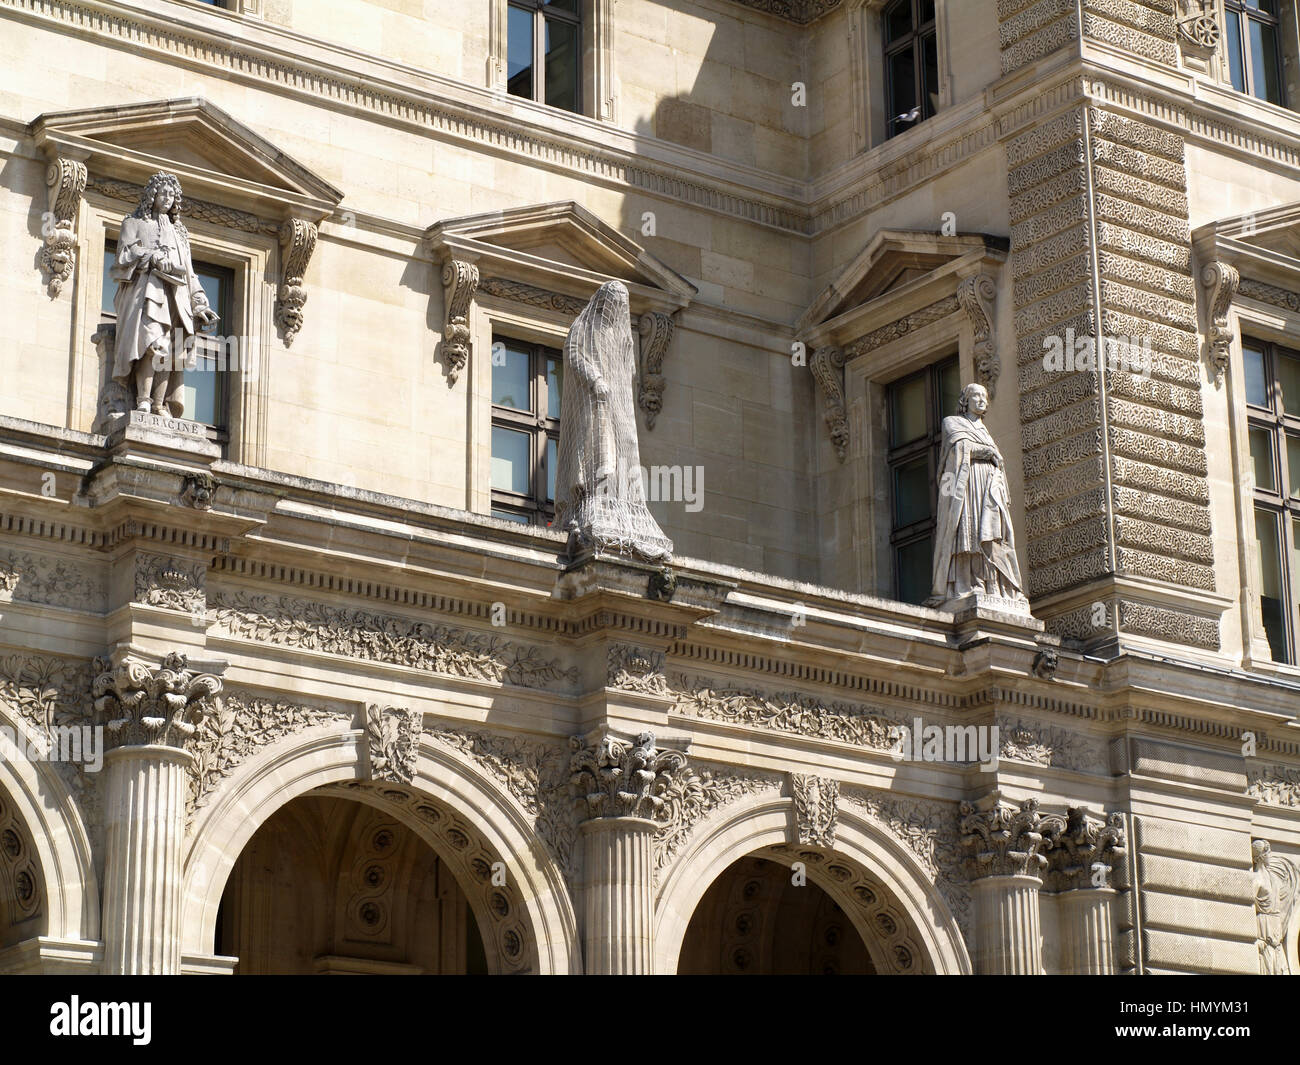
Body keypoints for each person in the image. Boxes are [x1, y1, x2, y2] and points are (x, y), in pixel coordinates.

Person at [110, 171, 218, 418]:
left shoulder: (180, 233)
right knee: (152, 344)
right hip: (148, 292)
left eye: (172, 194)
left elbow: (190, 272)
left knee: (171, 350)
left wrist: (200, 304)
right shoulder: (134, 223)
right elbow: (122, 259)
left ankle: (159, 404)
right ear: (152, 195)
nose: (167, 198)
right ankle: (143, 401)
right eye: (163, 193)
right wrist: (151, 256)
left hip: (176, 295)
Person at [928, 382, 1027, 606]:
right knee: (968, 533)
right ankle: (968, 583)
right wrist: (988, 451)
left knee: (991, 533)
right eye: (977, 396)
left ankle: (992, 583)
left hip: (988, 486)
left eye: (984, 396)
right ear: (965, 400)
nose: (983, 400)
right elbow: (958, 448)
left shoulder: (985, 430)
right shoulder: (952, 422)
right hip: (967, 485)